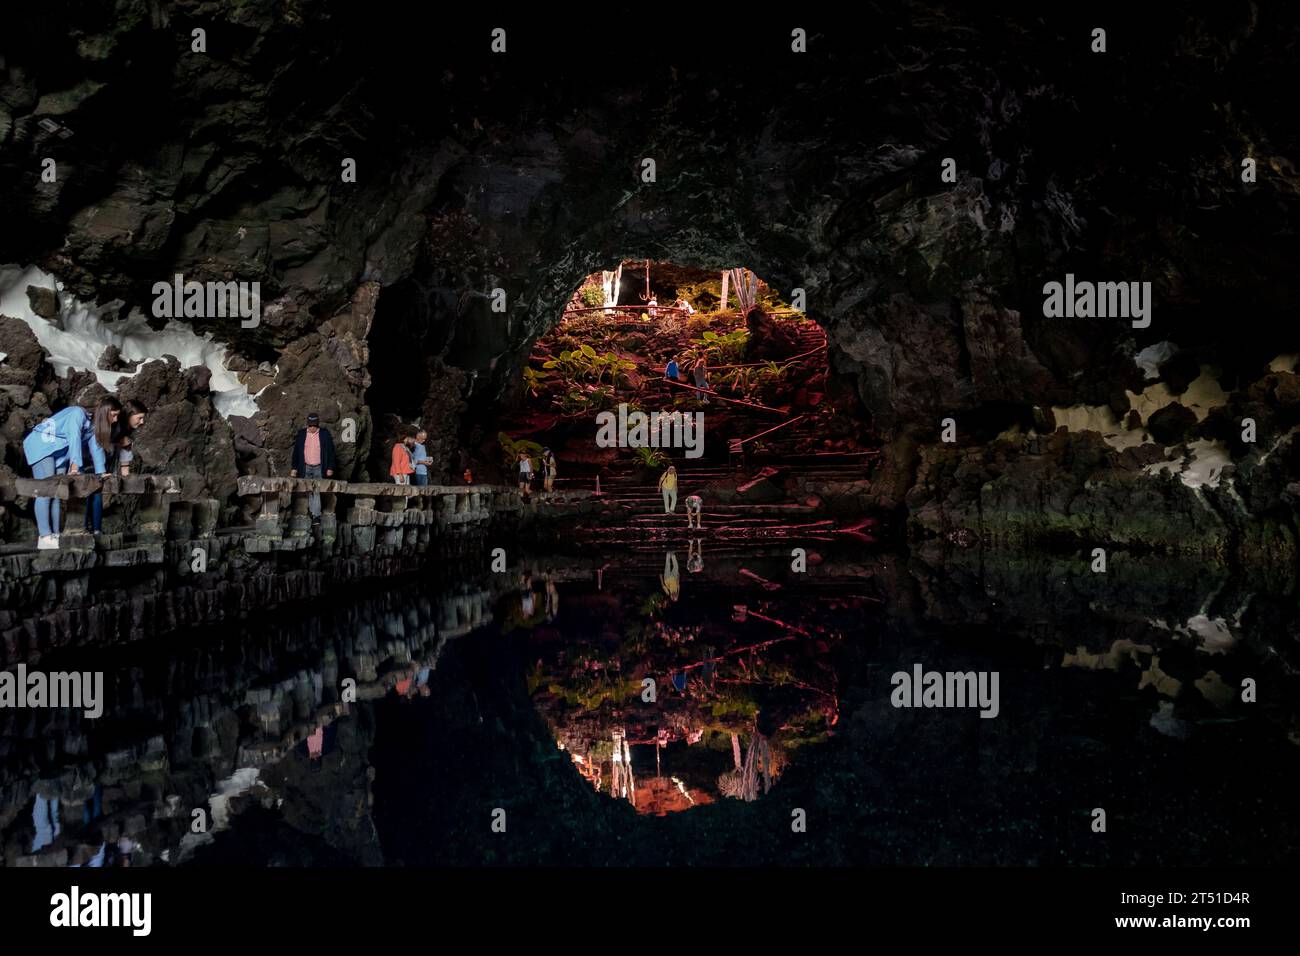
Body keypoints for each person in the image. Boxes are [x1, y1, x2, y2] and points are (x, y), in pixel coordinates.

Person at [23, 396, 119, 549]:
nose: (115, 420)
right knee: (46, 491)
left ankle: (55, 535)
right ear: (104, 412)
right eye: (113, 415)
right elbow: (73, 437)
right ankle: (44, 536)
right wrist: (74, 465)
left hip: (58, 453)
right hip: (41, 446)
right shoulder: (77, 414)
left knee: (58, 493)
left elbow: (96, 447)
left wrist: (101, 472)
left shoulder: (93, 427)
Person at [86, 399, 149, 534]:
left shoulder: (126, 430)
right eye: (140, 418)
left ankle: (96, 530)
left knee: (97, 494)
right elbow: (97, 442)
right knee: (87, 493)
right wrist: (101, 469)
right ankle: (86, 529)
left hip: (103, 464)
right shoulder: (115, 424)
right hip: (91, 461)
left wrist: (125, 473)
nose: (142, 422)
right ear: (130, 415)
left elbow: (125, 449)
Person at [290, 412, 337, 518]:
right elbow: (296, 452)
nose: (312, 428)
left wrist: (330, 467)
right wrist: (294, 467)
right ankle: (309, 514)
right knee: (307, 491)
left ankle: (316, 516)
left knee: (316, 492)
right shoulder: (302, 434)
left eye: (314, 425)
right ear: (307, 424)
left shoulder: (325, 434)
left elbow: (331, 451)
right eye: (310, 425)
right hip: (305, 467)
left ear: (318, 424)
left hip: (319, 468)